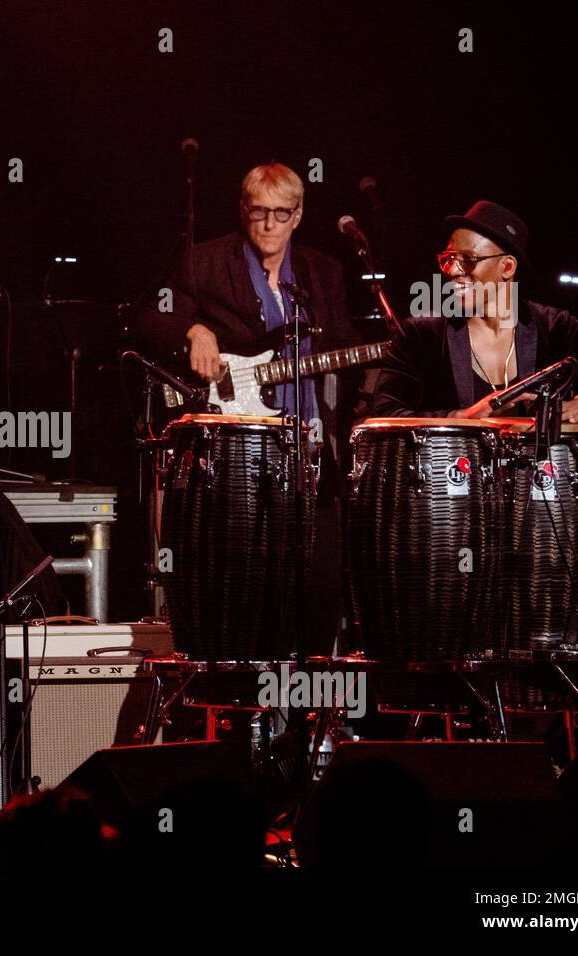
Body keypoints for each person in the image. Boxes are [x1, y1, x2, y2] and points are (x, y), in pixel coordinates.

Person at [137, 161, 363, 654]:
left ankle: (313, 711)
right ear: (244, 211)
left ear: (298, 216)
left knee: (319, 588)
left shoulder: (322, 272)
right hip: (240, 457)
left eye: (281, 214)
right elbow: (150, 318)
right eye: (259, 212)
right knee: (248, 591)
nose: (268, 225)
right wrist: (193, 331)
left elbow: (344, 347)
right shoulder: (204, 261)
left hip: (313, 455)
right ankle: (245, 710)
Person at [373, 200, 578, 424]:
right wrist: (463, 417)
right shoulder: (420, 336)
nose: (452, 271)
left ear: (507, 267)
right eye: (449, 259)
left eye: (468, 259)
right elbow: (383, 416)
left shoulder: (558, 328)